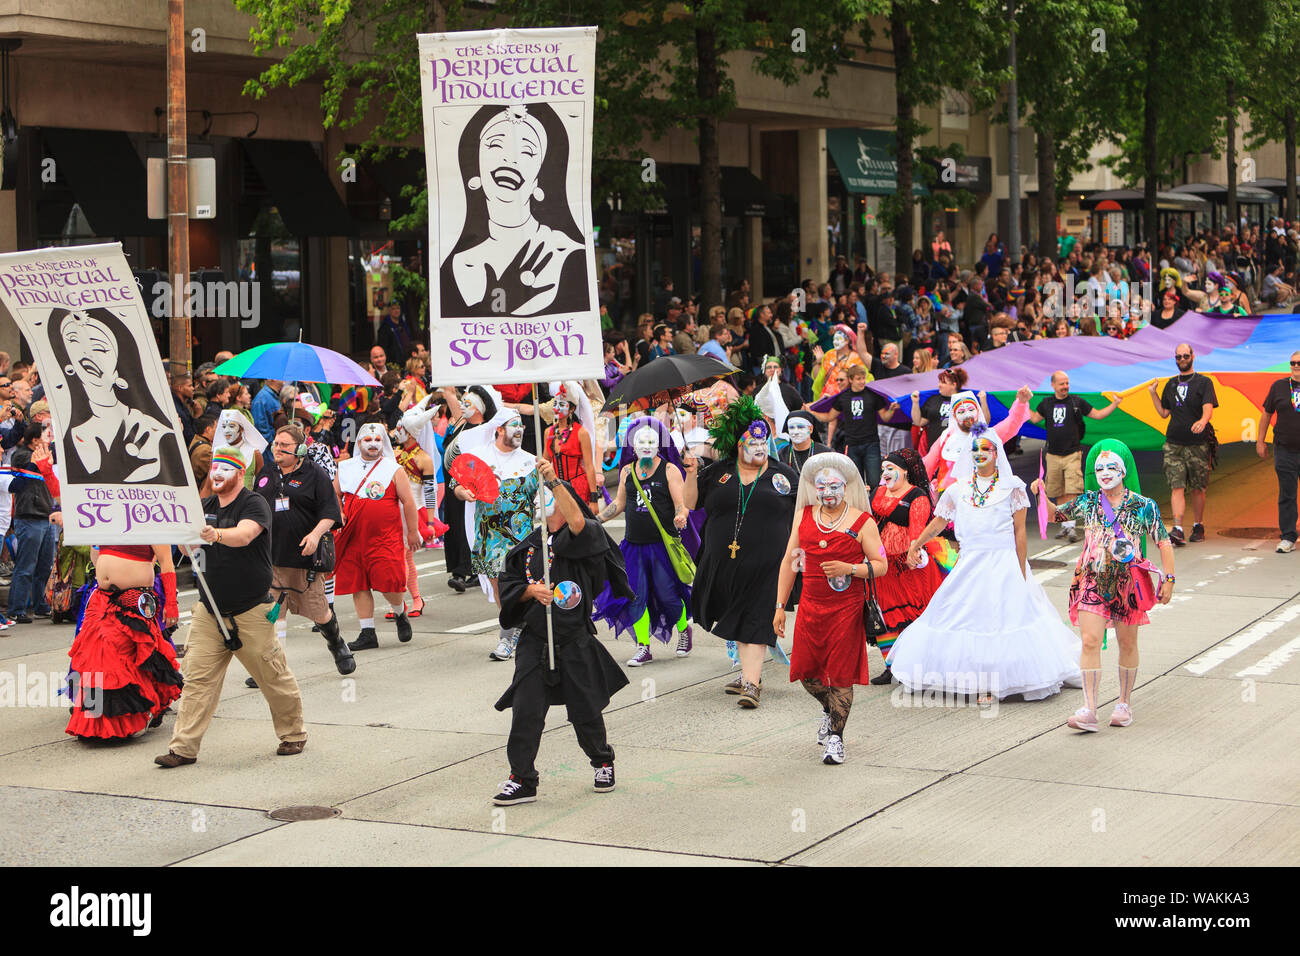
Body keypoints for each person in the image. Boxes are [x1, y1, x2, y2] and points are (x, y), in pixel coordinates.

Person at [893, 426, 1082, 701]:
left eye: (986, 449)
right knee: (962, 615)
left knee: (998, 619)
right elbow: (940, 521)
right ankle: (967, 678)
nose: (980, 453)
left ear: (996, 454)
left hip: (1003, 562)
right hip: (970, 562)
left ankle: (993, 685)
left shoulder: (1012, 487)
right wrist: (917, 542)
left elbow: (1019, 532)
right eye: (975, 449)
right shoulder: (958, 489)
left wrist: (1020, 570)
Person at [154, 447, 308, 768]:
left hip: (252, 610)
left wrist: (218, 534)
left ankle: (293, 734)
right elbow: (188, 545)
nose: (217, 473)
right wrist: (187, 538)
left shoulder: (254, 503)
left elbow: (245, 535)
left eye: (225, 467)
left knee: (272, 676)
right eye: (214, 468)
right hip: (210, 610)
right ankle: (183, 748)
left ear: (240, 472)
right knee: (197, 680)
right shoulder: (205, 505)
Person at [490, 461, 633, 805]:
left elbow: (579, 522)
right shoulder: (526, 549)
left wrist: (554, 479)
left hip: (574, 639)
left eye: (553, 500)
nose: (545, 507)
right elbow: (508, 589)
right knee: (526, 710)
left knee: (585, 710)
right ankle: (522, 778)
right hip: (535, 641)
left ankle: (602, 760)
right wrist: (529, 592)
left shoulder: (582, 540)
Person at [1033, 440, 1175, 732]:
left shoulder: (1144, 505)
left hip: (1128, 584)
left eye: (1112, 467)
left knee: (1127, 643)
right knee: (1089, 641)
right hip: (1091, 581)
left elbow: (1163, 541)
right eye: (1099, 467)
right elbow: (1055, 514)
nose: (1105, 472)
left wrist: (1169, 579)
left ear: (1124, 470)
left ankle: (1123, 703)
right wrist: (1042, 494)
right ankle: (1089, 709)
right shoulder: (1088, 502)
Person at [774, 453, 888, 764]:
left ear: (847, 487)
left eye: (834, 485)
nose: (827, 492)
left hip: (846, 609)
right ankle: (829, 709)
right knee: (806, 672)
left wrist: (850, 568)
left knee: (840, 676)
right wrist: (780, 605)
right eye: (821, 486)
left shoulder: (863, 522)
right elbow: (790, 561)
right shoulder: (804, 516)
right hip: (811, 605)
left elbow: (882, 565)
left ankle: (836, 738)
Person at [684, 396, 798, 707]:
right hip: (725, 563)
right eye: (753, 442)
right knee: (737, 616)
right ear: (738, 444)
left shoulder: (783, 475)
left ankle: (751, 683)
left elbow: (803, 511)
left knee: (757, 619)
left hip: (768, 564)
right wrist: (692, 472)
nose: (760, 448)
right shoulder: (718, 472)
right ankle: (750, 673)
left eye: (764, 442)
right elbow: (691, 503)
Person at [441, 103, 587, 317]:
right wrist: (501, 303)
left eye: (527, 151)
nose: (510, 158)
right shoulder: (455, 266)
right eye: (496, 145)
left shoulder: (568, 254)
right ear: (476, 165)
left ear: (539, 177)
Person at [253, 425, 354, 675]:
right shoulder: (266, 472)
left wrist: (315, 534)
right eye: (275, 443)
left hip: (304, 558)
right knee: (273, 615)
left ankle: (336, 643)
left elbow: (331, 512)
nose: (277, 449)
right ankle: (275, 668)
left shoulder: (315, 474)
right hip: (271, 558)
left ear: (299, 449)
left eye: (284, 445)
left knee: (319, 612)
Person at [593, 417, 694, 666]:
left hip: (661, 547)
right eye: (642, 442)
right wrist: (595, 521)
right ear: (634, 445)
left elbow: (682, 504)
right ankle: (643, 647)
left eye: (651, 442)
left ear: (658, 445)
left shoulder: (669, 470)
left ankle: (683, 629)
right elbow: (618, 504)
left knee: (668, 594)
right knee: (635, 596)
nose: (647, 446)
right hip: (633, 546)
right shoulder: (627, 471)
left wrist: (681, 516)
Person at [65, 542, 182, 740]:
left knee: (123, 659)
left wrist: (171, 603)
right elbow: (98, 556)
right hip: (101, 598)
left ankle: (135, 715)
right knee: (94, 658)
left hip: (132, 598)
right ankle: (96, 719)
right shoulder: (108, 518)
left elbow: (166, 563)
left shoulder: (151, 521)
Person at [458, 408, 540, 661]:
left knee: (524, 588)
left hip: (522, 539)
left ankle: (518, 633)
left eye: (522, 426)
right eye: (514, 425)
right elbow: (458, 487)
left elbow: (544, 493)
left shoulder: (530, 460)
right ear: (499, 429)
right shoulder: (478, 457)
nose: (520, 430)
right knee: (501, 592)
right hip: (490, 537)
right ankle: (508, 636)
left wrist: (543, 503)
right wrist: (465, 493)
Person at [335, 422, 421, 652]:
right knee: (359, 582)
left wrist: (413, 532)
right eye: (367, 440)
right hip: (353, 535)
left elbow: (408, 502)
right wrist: (339, 512)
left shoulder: (393, 469)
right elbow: (334, 495)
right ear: (359, 443)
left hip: (385, 537)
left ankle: (400, 610)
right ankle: (367, 632)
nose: (373, 444)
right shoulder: (345, 467)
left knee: (389, 580)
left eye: (377, 440)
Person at [868, 449, 949, 686]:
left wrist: (914, 551)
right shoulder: (879, 491)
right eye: (883, 469)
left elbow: (917, 529)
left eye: (890, 468)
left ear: (904, 471)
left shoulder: (917, 495)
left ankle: (918, 665)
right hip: (884, 565)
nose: (885, 473)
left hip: (909, 566)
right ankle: (891, 667)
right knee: (885, 616)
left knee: (915, 615)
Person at [1028, 371, 1123, 543]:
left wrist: (1115, 403)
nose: (1065, 387)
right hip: (1053, 454)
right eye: (1061, 384)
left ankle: (1070, 525)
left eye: (1067, 383)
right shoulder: (1046, 403)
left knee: (1072, 489)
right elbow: (1034, 419)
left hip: (1072, 453)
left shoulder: (1076, 402)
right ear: (1053, 385)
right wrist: (1021, 403)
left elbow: (1098, 415)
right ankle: (1065, 524)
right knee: (1058, 490)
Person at [1147, 344, 1217, 545]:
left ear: (1193, 356)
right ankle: (1177, 528)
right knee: (1176, 486)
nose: (1182, 359)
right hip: (1174, 444)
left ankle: (1198, 524)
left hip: (1198, 444)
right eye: (1178, 357)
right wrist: (1153, 393)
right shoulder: (1170, 384)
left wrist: (1203, 422)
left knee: (1198, 488)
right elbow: (1164, 413)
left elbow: (1208, 408)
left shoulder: (1204, 382)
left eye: (1185, 356)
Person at [921, 385, 1032, 492]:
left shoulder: (988, 435)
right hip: (949, 499)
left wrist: (1021, 403)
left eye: (971, 410)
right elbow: (927, 465)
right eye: (961, 412)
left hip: (980, 497)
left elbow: (1011, 424)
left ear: (977, 412)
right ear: (955, 416)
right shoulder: (946, 437)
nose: (967, 415)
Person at [442, 385, 498, 592]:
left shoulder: (485, 430)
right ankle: (459, 568)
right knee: (455, 525)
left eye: (468, 404)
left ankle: (468, 570)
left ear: (479, 409)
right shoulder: (461, 424)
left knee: (469, 525)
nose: (462, 406)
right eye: (462, 402)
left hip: (472, 484)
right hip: (453, 484)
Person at [810, 365, 899, 488]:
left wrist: (891, 410)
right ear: (851, 380)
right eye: (859, 379)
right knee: (855, 483)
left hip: (871, 444)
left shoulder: (873, 395)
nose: (862, 381)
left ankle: (873, 506)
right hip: (852, 444)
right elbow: (829, 417)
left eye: (863, 378)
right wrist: (811, 412)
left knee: (874, 482)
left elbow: (885, 417)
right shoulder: (843, 397)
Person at [7, 422, 60, 623]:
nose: (49, 439)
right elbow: (21, 479)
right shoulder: (20, 455)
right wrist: (39, 461)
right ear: (35, 439)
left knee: (45, 566)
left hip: (45, 516)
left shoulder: (47, 457)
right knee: (26, 565)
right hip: (28, 516)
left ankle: (40, 605)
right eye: (46, 435)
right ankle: (17, 608)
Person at [1257, 350, 1300, 553]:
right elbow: (1266, 414)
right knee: (1287, 495)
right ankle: (1288, 537)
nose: (1296, 366)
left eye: (1299, 363)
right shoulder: (1279, 386)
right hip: (1285, 450)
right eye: (1293, 363)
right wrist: (1260, 441)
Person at [543, 381, 599, 509]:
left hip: (578, 488)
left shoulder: (581, 433)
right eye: (555, 404)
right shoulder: (549, 432)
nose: (557, 408)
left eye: (562, 405)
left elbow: (589, 466)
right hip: (556, 488)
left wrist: (594, 498)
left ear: (572, 409)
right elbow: (545, 461)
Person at [205, 409, 266, 493]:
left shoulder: (254, 453)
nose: (227, 430)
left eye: (231, 426)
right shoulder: (217, 452)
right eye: (224, 426)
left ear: (241, 429)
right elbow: (208, 486)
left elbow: (262, 485)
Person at [251, 378, 283, 444]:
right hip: (269, 448)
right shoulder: (261, 399)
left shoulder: (273, 395)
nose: (283, 377)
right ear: (272, 379)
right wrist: (272, 442)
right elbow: (259, 426)